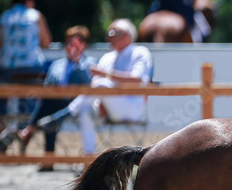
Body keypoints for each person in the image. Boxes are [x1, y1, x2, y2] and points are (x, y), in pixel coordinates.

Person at [37, 19, 153, 155]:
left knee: (102, 84)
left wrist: (106, 75)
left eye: (112, 33)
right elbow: (94, 87)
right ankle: (89, 159)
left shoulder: (140, 53)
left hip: (131, 108)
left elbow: (138, 80)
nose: (107, 38)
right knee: (86, 109)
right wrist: (101, 100)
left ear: (126, 36)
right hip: (105, 107)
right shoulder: (108, 57)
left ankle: (63, 116)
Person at [15, 26, 95, 170]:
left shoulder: (89, 63)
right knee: (48, 110)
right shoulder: (57, 64)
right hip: (55, 102)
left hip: (77, 103)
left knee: (48, 111)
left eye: (76, 43)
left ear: (84, 45)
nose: (71, 47)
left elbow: (88, 84)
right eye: (69, 43)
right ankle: (47, 155)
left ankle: (29, 131)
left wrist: (77, 62)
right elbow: (47, 86)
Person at [0, 0, 52, 152]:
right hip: (32, 69)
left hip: (7, 69)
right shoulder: (36, 16)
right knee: (30, 101)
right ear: (29, 1)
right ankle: (25, 132)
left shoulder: (4, 17)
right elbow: (46, 42)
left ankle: (4, 131)